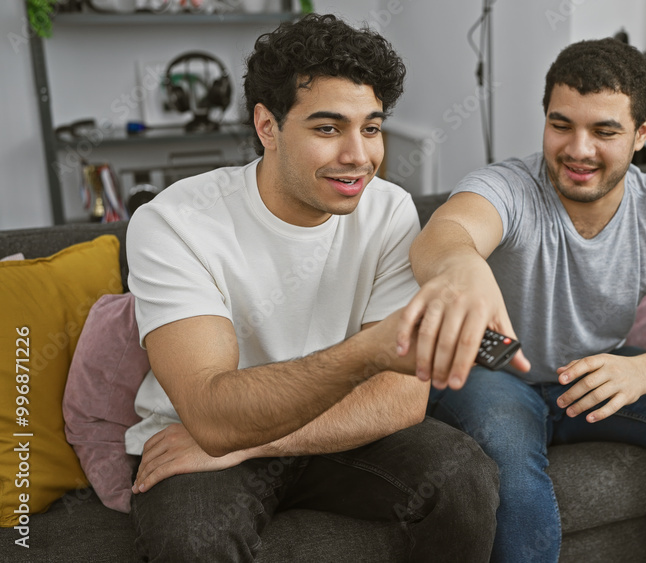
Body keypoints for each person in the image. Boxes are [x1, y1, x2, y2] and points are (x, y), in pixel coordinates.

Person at [123, 14, 498, 562]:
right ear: (267, 126)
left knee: (463, 475)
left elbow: (402, 399)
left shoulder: (390, 211)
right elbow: (211, 413)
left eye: (370, 128)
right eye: (328, 129)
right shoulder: (175, 222)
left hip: (321, 433)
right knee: (191, 541)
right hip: (197, 440)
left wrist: (251, 441)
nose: (359, 157)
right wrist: (370, 354)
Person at [398, 38, 646, 563]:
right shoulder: (508, 188)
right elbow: (444, 234)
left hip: (587, 372)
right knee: (504, 434)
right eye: (561, 124)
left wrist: (642, 373)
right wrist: (461, 267)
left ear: (642, 132)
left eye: (604, 130)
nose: (578, 149)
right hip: (496, 368)